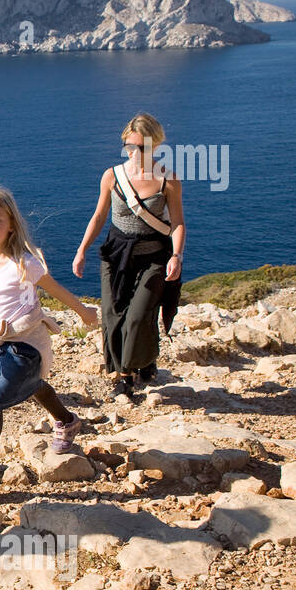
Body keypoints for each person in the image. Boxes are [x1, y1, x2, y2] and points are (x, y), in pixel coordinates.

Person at [0, 187, 99, 492]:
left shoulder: (24, 262)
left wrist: (84, 312)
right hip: (3, 341)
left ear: (11, 224)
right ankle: (67, 421)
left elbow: (55, 289)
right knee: (32, 385)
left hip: (29, 342)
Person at [72, 113, 185, 399]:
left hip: (154, 256)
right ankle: (141, 362)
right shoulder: (112, 176)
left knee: (137, 316)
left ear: (156, 145)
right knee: (112, 314)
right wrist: (81, 250)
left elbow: (179, 223)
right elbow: (99, 216)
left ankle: (126, 376)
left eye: (141, 147)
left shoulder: (168, 180)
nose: (134, 153)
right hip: (116, 254)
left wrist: (177, 257)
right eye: (129, 146)